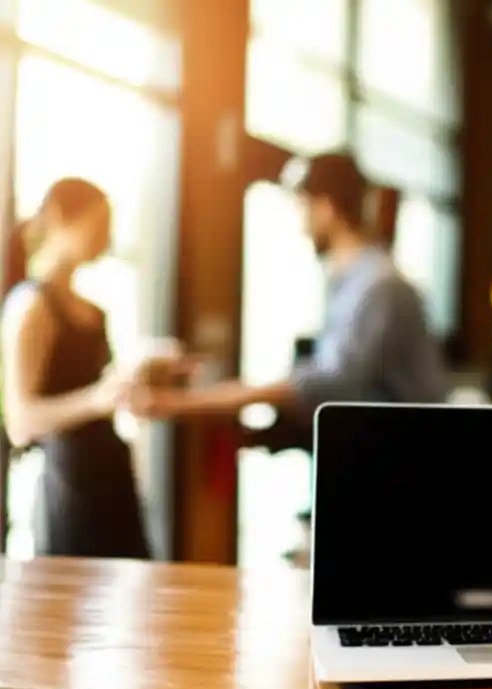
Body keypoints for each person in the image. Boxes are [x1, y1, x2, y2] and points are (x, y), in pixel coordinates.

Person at [134, 152, 449, 420]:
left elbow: (333, 382)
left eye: (301, 208)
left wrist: (189, 402)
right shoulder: (351, 281)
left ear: (325, 207)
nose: (300, 226)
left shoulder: (377, 285)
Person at [1, 179, 151, 558]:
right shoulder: (32, 306)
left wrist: (143, 374)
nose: (105, 236)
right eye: (98, 224)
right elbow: (21, 421)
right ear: (59, 219)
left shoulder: (94, 310)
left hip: (110, 473)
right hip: (69, 483)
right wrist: (96, 401)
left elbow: (105, 389)